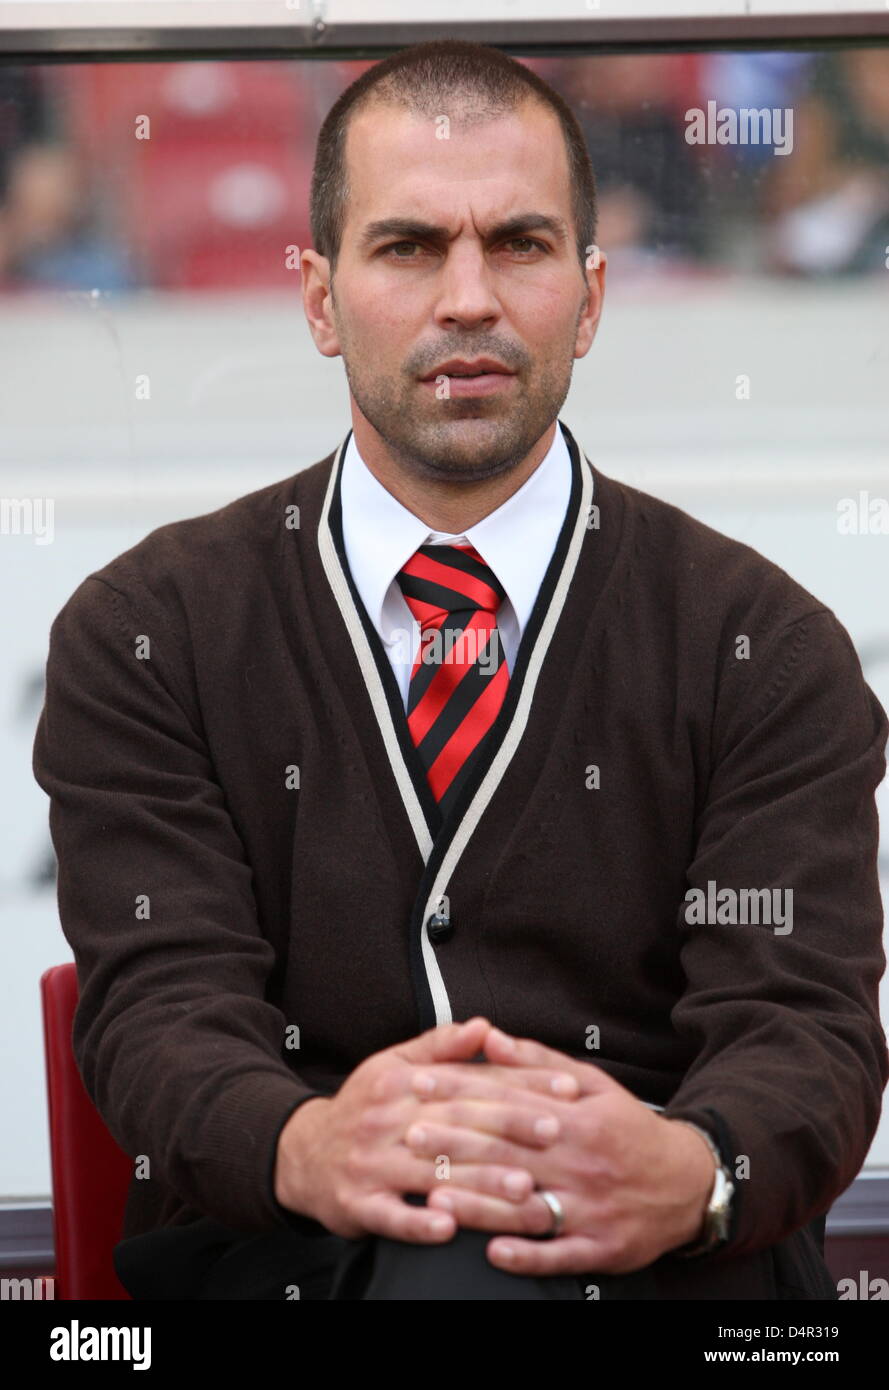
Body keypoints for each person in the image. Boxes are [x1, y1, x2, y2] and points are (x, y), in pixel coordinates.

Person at [32, 38, 887, 1301]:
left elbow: (803, 1023)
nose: (470, 298)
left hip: (671, 1280)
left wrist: (694, 1167)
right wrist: (309, 1142)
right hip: (286, 1263)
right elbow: (159, 1010)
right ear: (318, 298)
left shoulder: (764, 645)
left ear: (591, 296)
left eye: (522, 244)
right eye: (410, 246)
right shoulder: (145, 633)